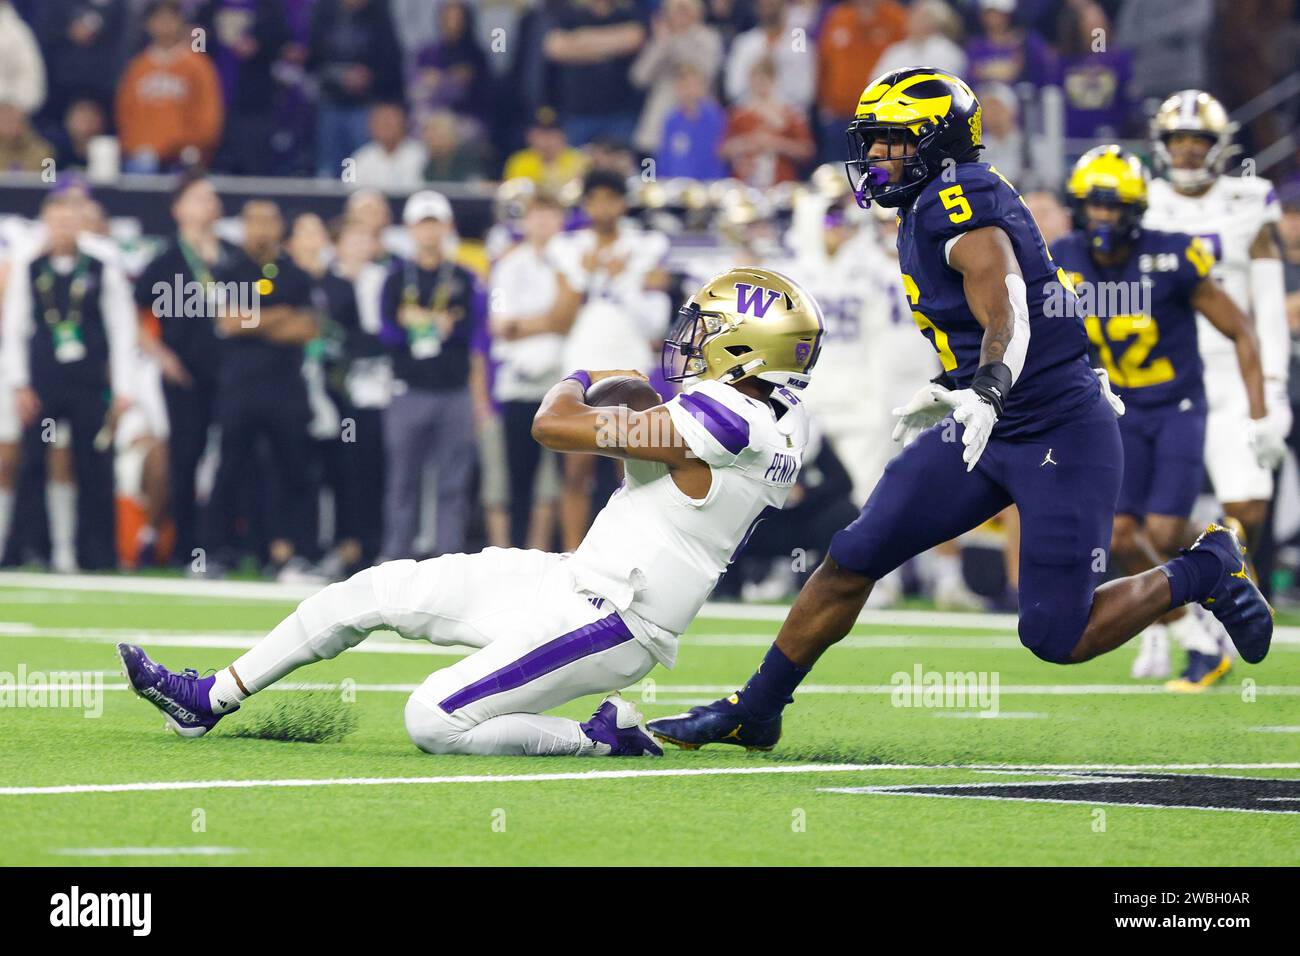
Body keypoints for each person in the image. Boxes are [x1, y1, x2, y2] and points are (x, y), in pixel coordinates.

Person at [647, 68, 1275, 752]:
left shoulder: (959, 196)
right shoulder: (927, 201)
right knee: (854, 555)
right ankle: (757, 707)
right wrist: (960, 383)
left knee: (1056, 635)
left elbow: (1008, 302)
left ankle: (1205, 566)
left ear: (940, 144)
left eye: (893, 142)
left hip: (1055, 426)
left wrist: (989, 383)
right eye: (875, 142)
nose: (878, 157)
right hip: (988, 417)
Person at [116, 267, 824, 757]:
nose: (690, 339)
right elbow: (664, 456)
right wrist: (635, 395)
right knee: (374, 590)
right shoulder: (768, 420)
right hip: (574, 580)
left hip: (615, 619)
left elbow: (554, 427)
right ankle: (208, 698)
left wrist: (580, 375)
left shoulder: (730, 421)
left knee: (433, 719)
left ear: (744, 346)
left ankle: (599, 738)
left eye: (707, 328)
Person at [1055, 146, 1269, 691]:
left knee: (1163, 532)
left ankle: (1218, 560)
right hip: (1116, 409)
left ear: (1136, 209)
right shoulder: (1061, 260)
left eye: (1113, 205)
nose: (1102, 216)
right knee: (1123, 533)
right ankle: (1196, 641)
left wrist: (1260, 411)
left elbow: (1240, 329)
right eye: (1093, 205)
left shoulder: (1173, 255)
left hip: (1175, 407)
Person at [1143, 91, 1291, 589]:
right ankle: (1166, 616)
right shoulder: (1141, 201)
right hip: (1160, 373)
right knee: (1150, 522)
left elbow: (1267, 305)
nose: (1186, 150)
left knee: (1248, 504)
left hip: (1233, 367)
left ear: (1220, 145)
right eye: (1177, 139)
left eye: (1198, 139)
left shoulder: (1249, 200)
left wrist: (1271, 387)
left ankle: (1234, 608)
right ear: (1161, 144)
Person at [1, 191, 135, 571]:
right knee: (33, 462)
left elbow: (120, 327)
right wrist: (19, 384)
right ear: (46, 223)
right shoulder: (30, 266)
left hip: (88, 382)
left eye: (70, 220)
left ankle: (97, 555)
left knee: (94, 461)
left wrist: (123, 389)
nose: (63, 227)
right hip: (44, 383)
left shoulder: (100, 266)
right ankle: (28, 550)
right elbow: (14, 327)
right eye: (56, 220)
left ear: (81, 223)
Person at [202, 200, 319, 578]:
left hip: (285, 389)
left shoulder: (295, 273)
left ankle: (298, 554)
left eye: (269, 220)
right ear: (243, 226)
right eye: (253, 220)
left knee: (294, 470)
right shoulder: (228, 269)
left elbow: (308, 328)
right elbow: (229, 324)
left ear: (280, 225)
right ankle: (216, 553)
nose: (261, 228)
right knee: (230, 469)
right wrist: (280, 315)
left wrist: (255, 319)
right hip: (239, 388)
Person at [133, 170, 234, 568]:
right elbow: (134, 313)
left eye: (212, 197)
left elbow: (257, 301)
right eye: (198, 197)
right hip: (184, 374)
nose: (209, 204)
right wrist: (161, 356)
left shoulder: (231, 255)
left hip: (230, 374)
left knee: (230, 459)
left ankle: (223, 545)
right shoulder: (166, 259)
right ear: (178, 209)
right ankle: (184, 548)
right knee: (185, 457)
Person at [377, 190, 483, 560]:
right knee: (402, 480)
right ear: (409, 229)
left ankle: (448, 560)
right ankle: (395, 559)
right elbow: (386, 333)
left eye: (435, 223)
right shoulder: (394, 278)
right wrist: (419, 324)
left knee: (453, 482)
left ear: (447, 227)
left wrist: (435, 323)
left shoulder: (464, 278)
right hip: (408, 389)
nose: (429, 232)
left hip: (454, 391)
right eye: (422, 224)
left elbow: (474, 331)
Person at [490, 192, 568, 548]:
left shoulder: (573, 260)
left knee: (570, 478)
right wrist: (553, 321)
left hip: (566, 385)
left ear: (560, 220)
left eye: (549, 216)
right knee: (519, 478)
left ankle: (568, 555)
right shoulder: (509, 265)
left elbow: (574, 319)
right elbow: (501, 324)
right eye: (536, 216)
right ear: (524, 221)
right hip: (520, 384)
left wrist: (531, 323)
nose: (542, 224)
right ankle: (518, 555)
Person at [114, 0, 223, 172]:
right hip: (144, 156)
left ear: (181, 22)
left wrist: (195, 145)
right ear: (147, 24)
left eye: (170, 18)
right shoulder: (138, 67)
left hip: (185, 156)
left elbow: (208, 113)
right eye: (158, 19)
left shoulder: (198, 65)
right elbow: (126, 113)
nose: (164, 25)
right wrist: (134, 146)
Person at [348, 102, 426, 189]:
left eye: (390, 122)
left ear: (403, 123)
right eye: (380, 122)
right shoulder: (360, 158)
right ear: (371, 126)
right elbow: (349, 193)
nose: (385, 126)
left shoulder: (421, 154)